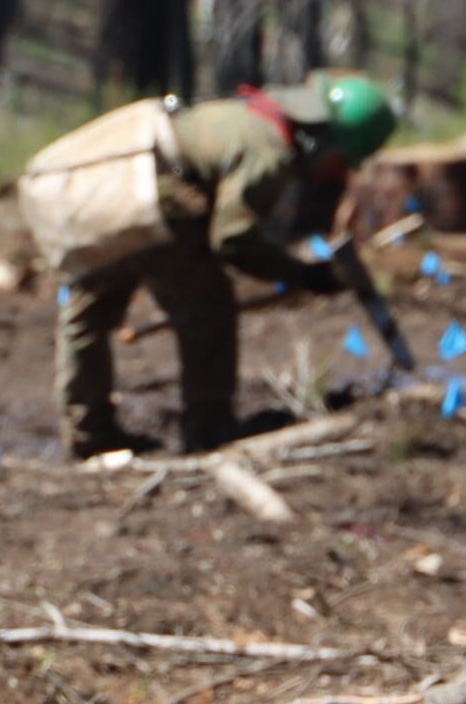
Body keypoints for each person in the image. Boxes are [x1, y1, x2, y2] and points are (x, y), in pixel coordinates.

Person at [35, 73, 397, 457]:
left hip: (109, 193)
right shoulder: (269, 152)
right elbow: (233, 239)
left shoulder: (248, 113)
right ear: (328, 141)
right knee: (208, 309)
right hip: (158, 200)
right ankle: (208, 430)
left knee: (88, 315)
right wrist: (302, 274)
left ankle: (89, 436)